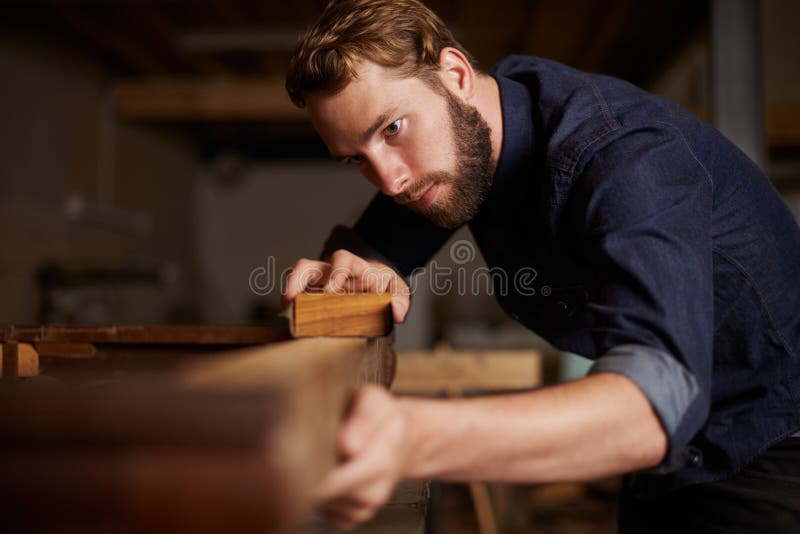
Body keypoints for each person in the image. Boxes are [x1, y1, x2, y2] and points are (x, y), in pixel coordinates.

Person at [281, 0, 800, 530]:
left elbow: (652, 404)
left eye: (391, 128)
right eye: (356, 159)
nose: (389, 181)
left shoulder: (625, 157)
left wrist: (411, 436)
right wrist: (355, 270)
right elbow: (372, 250)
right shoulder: (471, 131)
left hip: (774, 450)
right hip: (669, 462)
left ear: (456, 75)